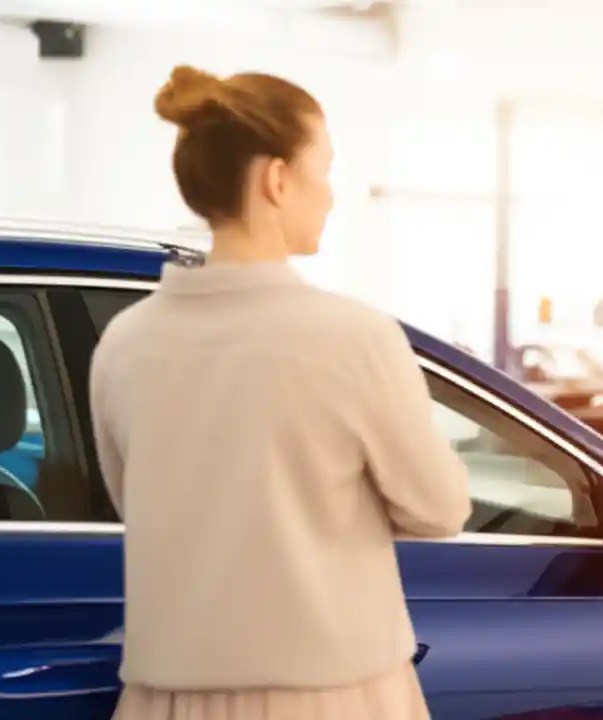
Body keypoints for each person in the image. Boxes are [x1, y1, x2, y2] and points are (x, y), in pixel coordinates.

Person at [91, 65, 471, 720]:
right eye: (323, 169)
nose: (330, 194)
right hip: (333, 697)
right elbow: (441, 508)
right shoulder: (353, 338)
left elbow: (137, 502)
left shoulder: (125, 343)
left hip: (165, 700)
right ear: (276, 179)